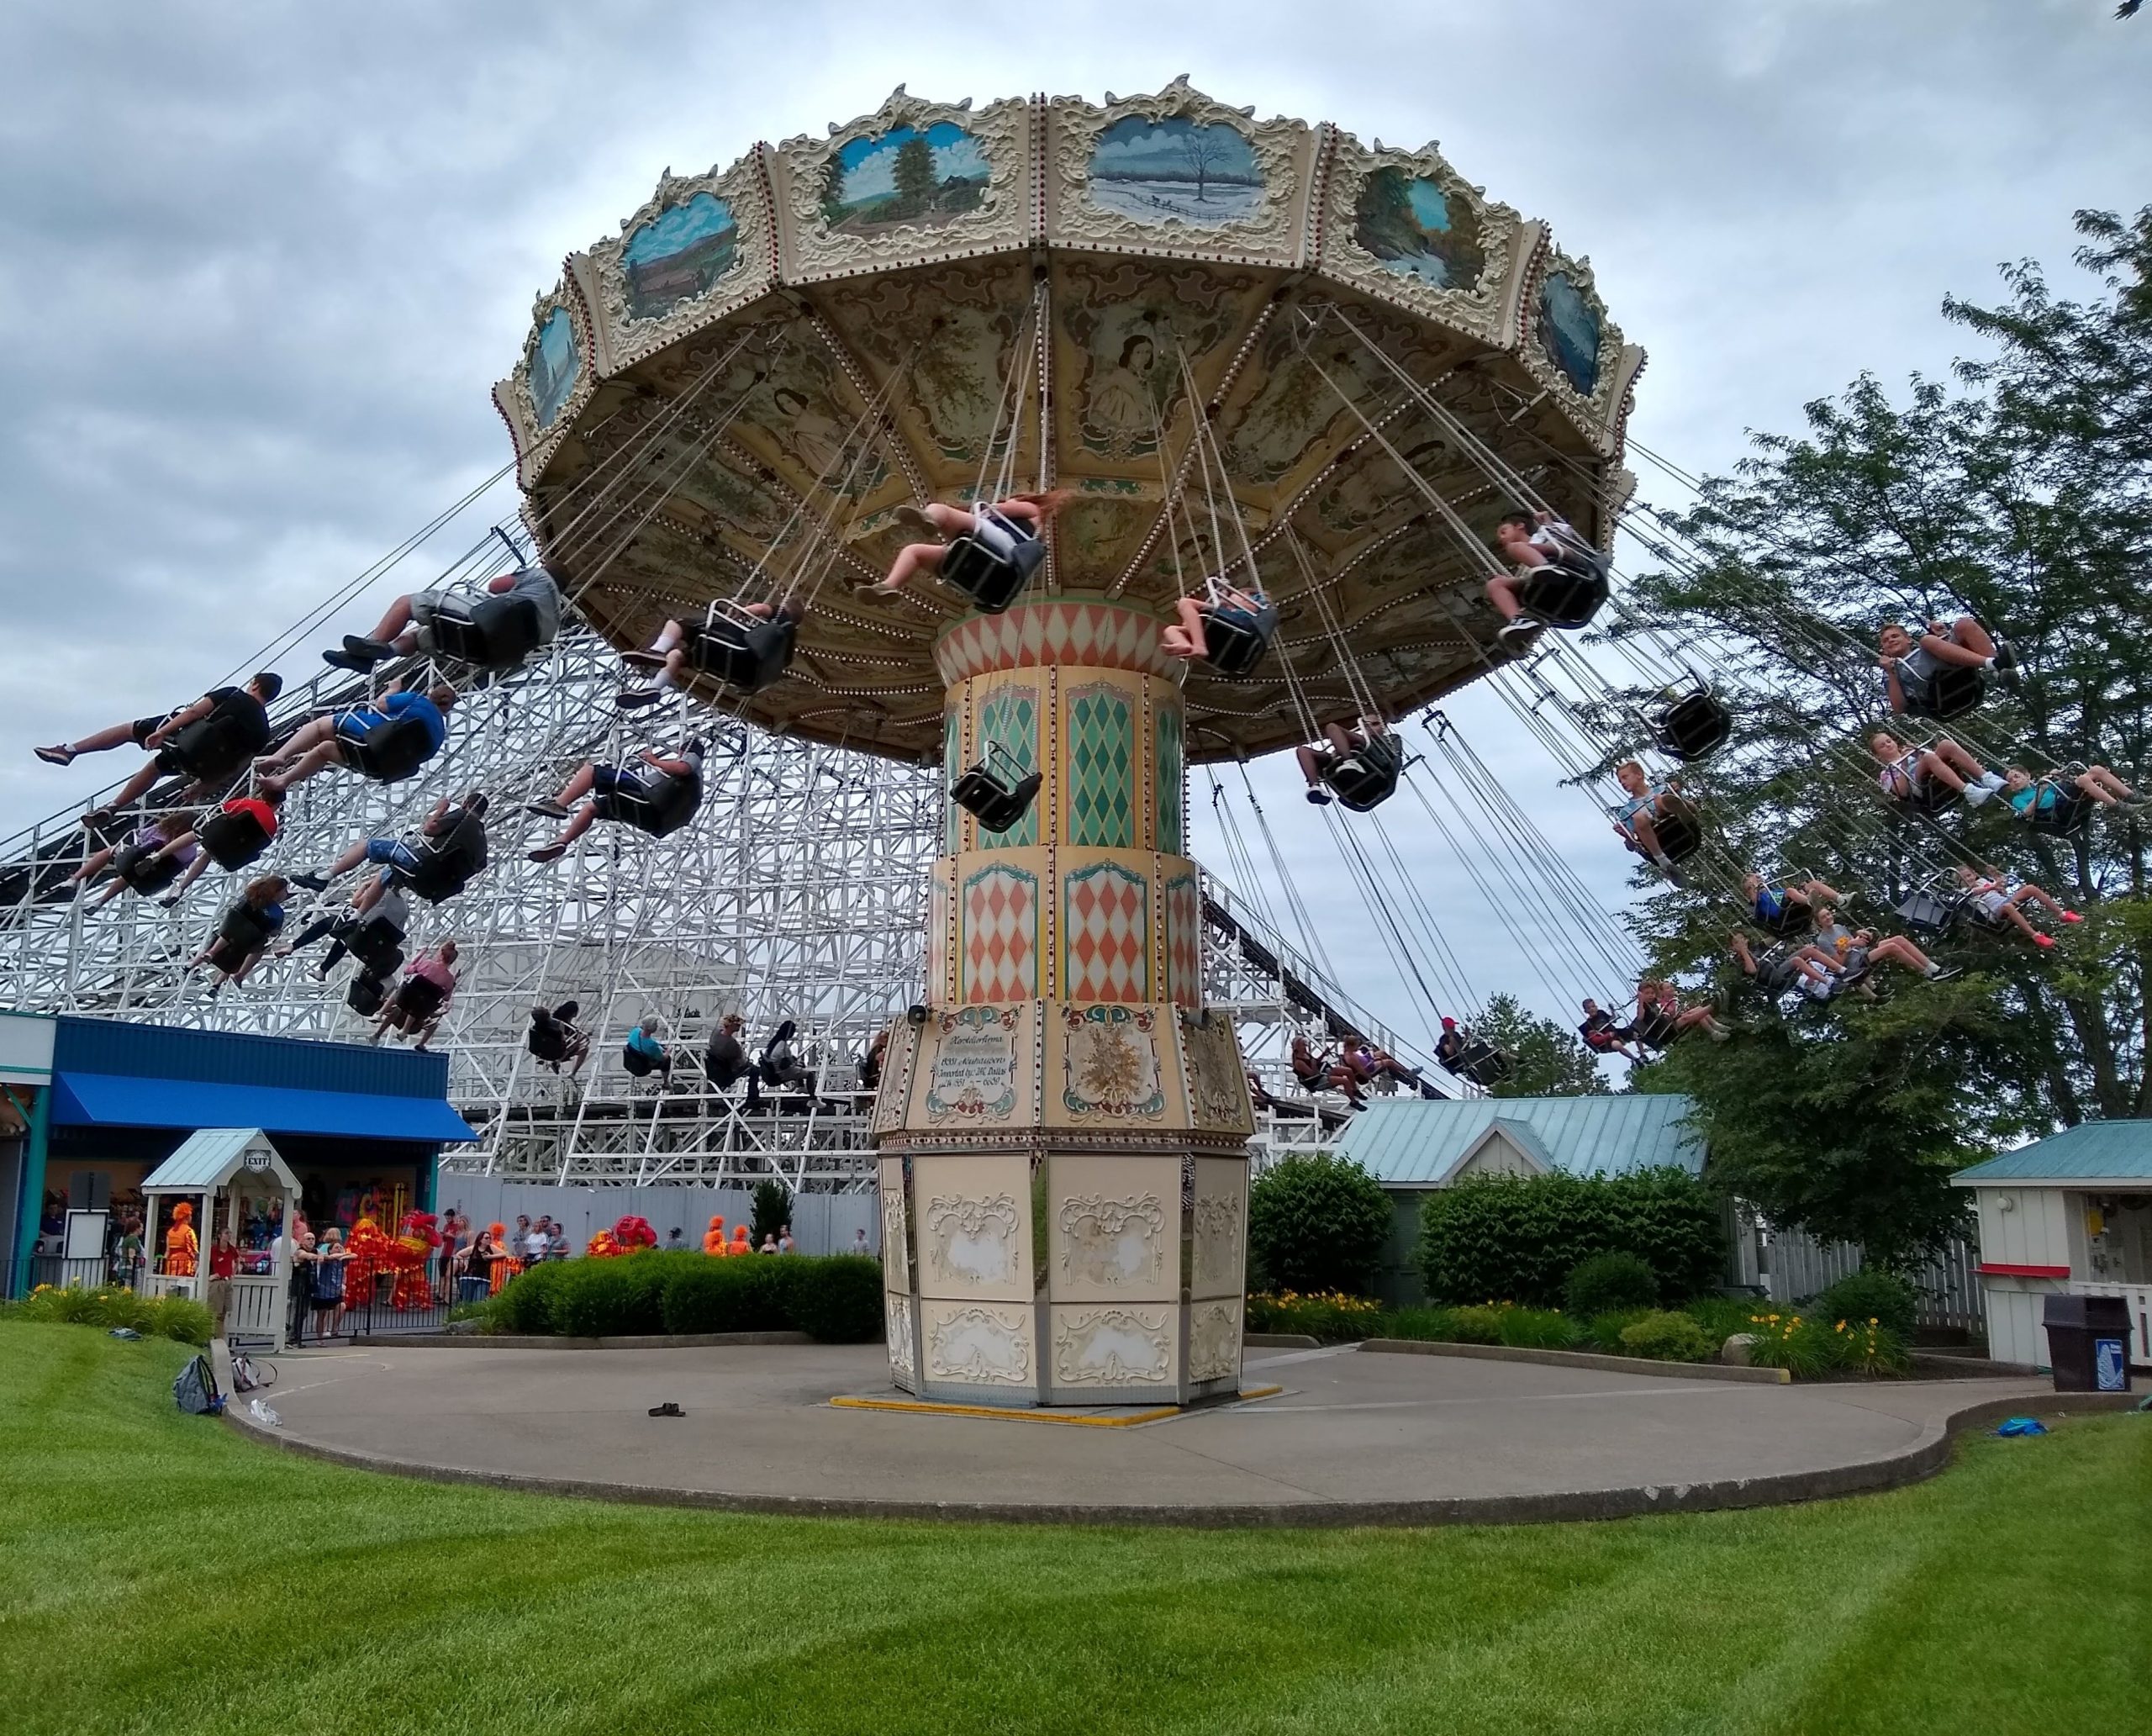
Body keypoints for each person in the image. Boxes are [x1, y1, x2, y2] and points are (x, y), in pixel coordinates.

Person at [55, 673, 283, 816]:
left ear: (254, 684)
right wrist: (203, 784)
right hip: (200, 763)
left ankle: (70, 751)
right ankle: (115, 805)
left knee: (129, 730)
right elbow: (235, 766)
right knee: (155, 768)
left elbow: (195, 711)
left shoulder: (233, 694)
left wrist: (163, 731)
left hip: (183, 740)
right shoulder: (263, 731)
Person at [323, 562, 563, 672]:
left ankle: (372, 648)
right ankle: (389, 651)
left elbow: (496, 585)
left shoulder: (538, 576)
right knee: (419, 639)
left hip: (480, 623)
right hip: (484, 655)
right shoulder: (553, 625)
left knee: (407, 603)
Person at [256, 680, 456, 796]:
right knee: (324, 749)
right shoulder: (439, 736)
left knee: (319, 727)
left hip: (369, 738)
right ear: (448, 709)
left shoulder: (417, 700)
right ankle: (283, 780)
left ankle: (280, 756)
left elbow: (382, 705)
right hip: (379, 767)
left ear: (431, 693)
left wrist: (394, 688)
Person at [293, 793, 489, 904]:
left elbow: (430, 829)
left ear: (465, 803)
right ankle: (356, 918)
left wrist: (441, 810)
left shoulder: (463, 815)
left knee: (367, 845)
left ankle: (325, 876)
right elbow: (478, 868)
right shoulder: (482, 843)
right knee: (389, 871)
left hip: (421, 866)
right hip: (436, 885)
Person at [527, 738, 705, 860]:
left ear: (683, 752)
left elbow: (683, 768)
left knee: (591, 771)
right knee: (592, 808)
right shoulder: (694, 787)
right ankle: (562, 842)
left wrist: (654, 761)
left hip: (648, 796)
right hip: (655, 820)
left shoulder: (692, 760)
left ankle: (559, 804)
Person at [867, 491, 1074, 595]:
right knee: (915, 552)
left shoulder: (1032, 510)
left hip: (1002, 545)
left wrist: (999, 505)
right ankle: (887, 587)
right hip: (989, 570)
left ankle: (929, 518)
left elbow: (1001, 509)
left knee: (943, 510)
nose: (1009, 500)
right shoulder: (1037, 535)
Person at [618, 599, 805, 708]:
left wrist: (738, 613)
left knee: (678, 624)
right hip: (741, 674)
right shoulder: (787, 648)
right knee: (678, 656)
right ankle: (654, 689)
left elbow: (761, 609)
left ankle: (657, 651)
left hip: (729, 648)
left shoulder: (781, 614)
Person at [1485, 509, 1603, 650]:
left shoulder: (1543, 533)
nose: (1501, 539)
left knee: (1515, 548)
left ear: (1520, 526)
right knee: (1494, 584)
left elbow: (1566, 536)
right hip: (1553, 593)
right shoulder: (1523, 563)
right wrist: (1507, 581)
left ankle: (1547, 568)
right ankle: (1519, 620)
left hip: (1571, 567)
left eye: (1503, 532)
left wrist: (1548, 522)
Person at [154, 789, 286, 903]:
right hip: (231, 854)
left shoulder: (248, 803)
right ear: (278, 805)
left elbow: (221, 811)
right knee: (207, 855)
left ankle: (158, 855)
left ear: (262, 795)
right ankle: (182, 887)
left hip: (218, 837)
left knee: (197, 833)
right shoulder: (273, 825)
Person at [1877, 616, 2013, 715]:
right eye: (1886, 641)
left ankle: (2001, 673)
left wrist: (1944, 636)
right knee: (1927, 640)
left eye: (1895, 636)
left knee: (1964, 624)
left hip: (1958, 672)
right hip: (1938, 693)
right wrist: (1890, 672)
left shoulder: (1927, 648)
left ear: (1908, 639)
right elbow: (1899, 708)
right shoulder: (1892, 672)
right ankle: (1994, 664)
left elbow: (1938, 646)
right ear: (1883, 649)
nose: (1891, 640)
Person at [281, 881, 410, 980]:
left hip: (362, 934)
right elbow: (398, 934)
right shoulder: (405, 908)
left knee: (330, 923)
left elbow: (355, 903)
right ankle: (322, 971)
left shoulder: (381, 892)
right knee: (345, 935)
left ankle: (293, 946)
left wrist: (365, 885)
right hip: (372, 947)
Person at [70, 809, 201, 906]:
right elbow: (183, 868)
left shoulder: (161, 830)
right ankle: (100, 901)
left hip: (137, 861)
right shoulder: (192, 851)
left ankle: (75, 878)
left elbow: (139, 840)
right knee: (130, 877)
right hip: (154, 879)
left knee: (109, 852)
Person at [1812, 905, 1962, 984]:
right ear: (1819, 922)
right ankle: (1927, 973)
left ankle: (1935, 968)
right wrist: (1851, 943)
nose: (1828, 918)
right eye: (1824, 917)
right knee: (1892, 947)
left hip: (1863, 954)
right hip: (1855, 965)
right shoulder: (1823, 940)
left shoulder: (1839, 927)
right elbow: (1838, 962)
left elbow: (1859, 945)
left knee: (1898, 939)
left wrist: (1862, 937)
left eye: (1829, 914)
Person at [187, 875, 291, 990]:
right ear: (277, 891)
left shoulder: (250, 894)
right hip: (247, 939)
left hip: (230, 929)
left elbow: (237, 907)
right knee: (255, 950)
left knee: (228, 935)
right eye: (285, 891)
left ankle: (201, 959)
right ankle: (234, 977)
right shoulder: (277, 912)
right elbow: (273, 931)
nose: (287, 894)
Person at [1954, 863, 2081, 948]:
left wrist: (1995, 876)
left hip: (2004, 900)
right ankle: (2036, 936)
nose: (1968, 879)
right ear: (1959, 883)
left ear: (1974, 874)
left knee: (2030, 888)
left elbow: (2000, 887)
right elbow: (1975, 892)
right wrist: (1992, 886)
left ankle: (2061, 914)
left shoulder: (1982, 881)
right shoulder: (1964, 892)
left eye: (1969, 875)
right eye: (1963, 879)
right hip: (1995, 911)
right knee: (2009, 906)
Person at [1869, 729, 2006, 809]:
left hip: (1931, 768)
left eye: (1888, 741)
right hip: (1920, 785)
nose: (1888, 745)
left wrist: (1918, 752)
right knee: (1929, 758)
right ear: (1878, 754)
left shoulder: (1909, 751)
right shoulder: (1886, 773)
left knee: (1945, 744)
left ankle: (1987, 778)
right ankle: (1968, 791)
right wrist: (1903, 764)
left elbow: (1933, 757)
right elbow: (1903, 792)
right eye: (1882, 746)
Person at [1160, 582, 1274, 665]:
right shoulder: (1234, 608)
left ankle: (1199, 646)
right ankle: (1185, 645)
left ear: (1246, 595)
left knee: (1185, 603)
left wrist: (1227, 601)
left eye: (1234, 595)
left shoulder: (1257, 602)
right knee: (1171, 630)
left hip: (1236, 624)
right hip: (1226, 625)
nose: (1230, 598)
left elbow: (1255, 608)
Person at [373, 941, 458, 1049]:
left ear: (441, 954)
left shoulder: (428, 964)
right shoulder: (449, 979)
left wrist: (421, 954)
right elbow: (446, 997)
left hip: (405, 1000)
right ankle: (406, 1031)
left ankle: (380, 1013)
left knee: (399, 991)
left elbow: (408, 970)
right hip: (420, 1010)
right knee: (420, 1000)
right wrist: (454, 981)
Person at [1295, 716, 1391, 807]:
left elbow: (1393, 761)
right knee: (1302, 750)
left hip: (1371, 757)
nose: (1370, 728)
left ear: (1384, 726)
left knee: (1331, 727)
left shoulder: (1390, 741)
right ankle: (1315, 786)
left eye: (1375, 724)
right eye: (1366, 726)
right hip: (1344, 760)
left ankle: (1349, 761)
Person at [1610, 762, 1690, 870]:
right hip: (1657, 837)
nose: (1622, 783)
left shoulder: (1662, 789)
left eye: (1625, 777)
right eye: (1620, 781)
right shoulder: (1627, 811)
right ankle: (1663, 861)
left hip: (1676, 824)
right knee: (1638, 816)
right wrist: (1627, 836)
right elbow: (1631, 847)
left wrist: (1677, 794)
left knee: (1660, 799)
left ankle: (1685, 812)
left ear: (1639, 774)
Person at [1728, 929, 1841, 1003]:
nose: (1741, 942)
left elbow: (1775, 937)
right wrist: (1743, 951)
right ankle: (1829, 983)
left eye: (1742, 939)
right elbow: (1752, 970)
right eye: (1737, 942)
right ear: (1733, 948)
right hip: (1773, 977)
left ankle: (1840, 969)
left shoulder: (1757, 948)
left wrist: (1784, 928)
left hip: (1781, 965)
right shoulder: (1739, 962)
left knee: (1810, 950)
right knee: (1797, 960)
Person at [2003, 763, 2143, 821]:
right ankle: (2119, 808)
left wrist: (2057, 776)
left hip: (2064, 799)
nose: (2015, 781)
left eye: (2017, 776)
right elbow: (2027, 812)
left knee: (2096, 770)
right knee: (2083, 780)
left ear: (2027, 776)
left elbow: (2061, 786)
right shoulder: (2018, 799)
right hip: (2058, 811)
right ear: (2011, 787)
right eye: (2011, 780)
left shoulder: (2042, 785)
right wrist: (2041, 790)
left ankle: (2131, 796)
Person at [1739, 872, 1852, 936]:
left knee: (1813, 884)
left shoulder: (1773, 890)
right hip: (1781, 914)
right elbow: (1753, 898)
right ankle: (1809, 902)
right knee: (1790, 891)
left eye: (1759, 878)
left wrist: (1801, 892)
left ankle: (1841, 899)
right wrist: (1753, 887)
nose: (1760, 880)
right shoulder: (1757, 898)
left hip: (1792, 902)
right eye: (1756, 880)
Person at [1634, 978, 1733, 1044]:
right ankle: (1713, 1006)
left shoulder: (1654, 1003)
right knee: (1686, 1018)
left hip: (1669, 1025)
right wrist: (1641, 1000)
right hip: (1664, 1032)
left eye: (1652, 993)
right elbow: (1640, 1016)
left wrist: (1655, 985)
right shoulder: (1643, 1007)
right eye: (1647, 993)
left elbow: (1660, 995)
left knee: (1696, 1010)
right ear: (1642, 995)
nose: (1651, 995)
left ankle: (1714, 1027)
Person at [704, 1012, 762, 1106]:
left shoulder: (716, 1034)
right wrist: (747, 1063)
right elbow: (740, 1063)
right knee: (755, 1071)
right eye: (738, 1025)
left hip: (715, 1068)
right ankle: (752, 1098)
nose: (739, 1027)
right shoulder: (731, 1044)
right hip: (728, 1073)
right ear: (731, 1025)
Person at [1289, 1034, 1365, 1105]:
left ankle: (1355, 1091)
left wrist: (1324, 1054)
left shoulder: (1306, 1055)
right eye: (1303, 1046)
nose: (1305, 1047)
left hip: (1323, 1072)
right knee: (1345, 1081)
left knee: (1348, 1071)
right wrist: (1313, 1063)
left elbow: (1317, 1062)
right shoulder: (1299, 1063)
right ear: (1297, 1047)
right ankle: (1353, 1102)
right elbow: (1313, 1074)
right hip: (1318, 1081)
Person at [527, 1000, 590, 1074]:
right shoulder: (559, 1025)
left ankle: (544, 1060)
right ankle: (569, 1071)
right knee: (583, 1045)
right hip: (556, 1053)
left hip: (541, 1052)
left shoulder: (535, 1028)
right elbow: (562, 1042)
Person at [309, 1227, 349, 1340]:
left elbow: (351, 1257)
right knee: (323, 1312)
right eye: (337, 1248)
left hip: (334, 1287)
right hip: (324, 1286)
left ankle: (330, 1330)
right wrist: (338, 1255)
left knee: (338, 1307)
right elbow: (323, 1258)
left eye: (340, 1248)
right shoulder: (325, 1249)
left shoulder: (323, 1247)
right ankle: (324, 1332)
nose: (339, 1249)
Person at [1578, 998, 1640, 1062]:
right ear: (1586, 1011)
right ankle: (1635, 1059)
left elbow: (1613, 1020)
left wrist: (1612, 1010)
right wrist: (1607, 1036)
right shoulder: (1589, 1024)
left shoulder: (1601, 1013)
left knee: (1635, 1033)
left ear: (1596, 1007)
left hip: (1615, 1032)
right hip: (1608, 1039)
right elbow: (1594, 1039)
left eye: (1593, 1007)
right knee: (1616, 1045)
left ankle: (1643, 1055)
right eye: (1589, 1008)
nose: (1592, 1009)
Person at [760, 1020, 812, 1094]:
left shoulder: (774, 1043)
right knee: (810, 1074)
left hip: (774, 1072)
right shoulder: (782, 1045)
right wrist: (793, 1061)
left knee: (798, 1068)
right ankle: (812, 1097)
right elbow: (784, 1064)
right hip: (781, 1073)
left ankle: (801, 1086)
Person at [287, 1230, 318, 1343]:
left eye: (313, 1239)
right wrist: (318, 1257)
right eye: (308, 1239)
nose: (311, 1241)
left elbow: (326, 1256)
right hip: (298, 1285)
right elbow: (306, 1256)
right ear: (303, 1241)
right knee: (298, 1311)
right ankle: (293, 1337)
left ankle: (297, 1336)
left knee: (304, 1312)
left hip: (308, 1285)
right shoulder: (299, 1251)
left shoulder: (316, 1251)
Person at [623, 1016, 672, 1084]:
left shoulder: (635, 1031)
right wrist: (668, 1051)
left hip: (629, 1062)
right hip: (642, 1068)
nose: (657, 1026)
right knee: (667, 1060)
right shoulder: (652, 1045)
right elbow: (662, 1057)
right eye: (655, 1024)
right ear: (650, 1028)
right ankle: (666, 1082)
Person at [206, 1229, 239, 1334]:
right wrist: (209, 1276)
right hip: (216, 1282)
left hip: (227, 1282)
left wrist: (233, 1274)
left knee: (224, 1311)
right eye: (226, 1233)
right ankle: (211, 1335)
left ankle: (220, 1335)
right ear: (220, 1236)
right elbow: (204, 1263)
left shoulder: (232, 1250)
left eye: (230, 1233)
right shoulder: (213, 1250)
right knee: (214, 1310)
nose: (229, 1235)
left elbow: (237, 1260)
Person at [857, 1026, 889, 1095]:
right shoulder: (878, 1048)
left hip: (874, 1078)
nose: (887, 1040)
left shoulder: (874, 1049)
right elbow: (879, 1057)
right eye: (886, 1037)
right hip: (876, 1077)